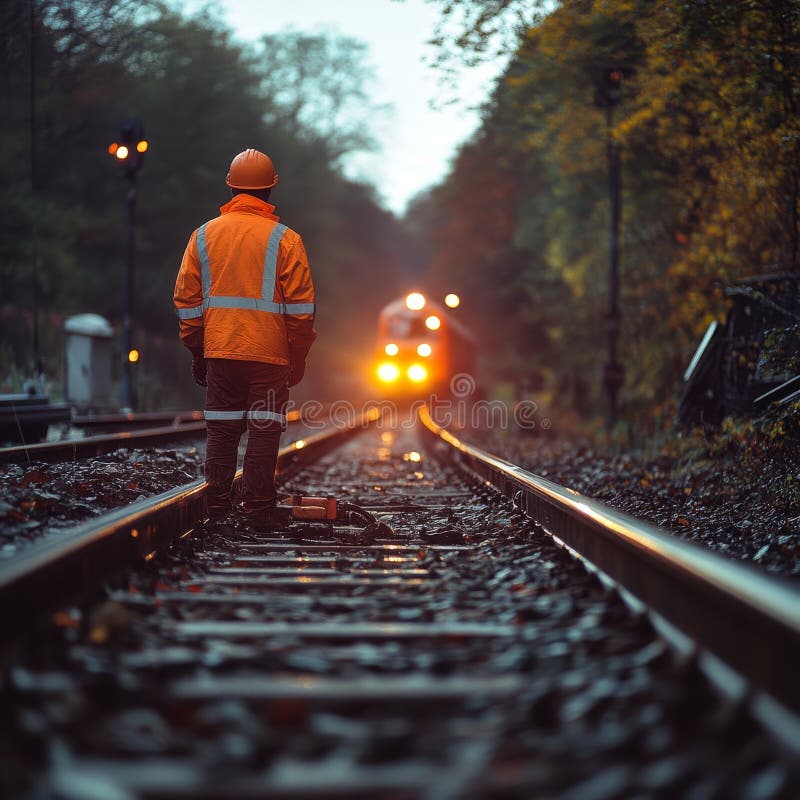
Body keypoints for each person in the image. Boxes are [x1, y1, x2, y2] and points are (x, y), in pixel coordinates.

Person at [174, 148, 316, 529]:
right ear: (271, 189)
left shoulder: (203, 235)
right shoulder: (287, 240)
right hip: (270, 356)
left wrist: (198, 350)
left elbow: (187, 303)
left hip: (220, 349)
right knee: (265, 431)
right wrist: (297, 355)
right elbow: (302, 310)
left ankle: (217, 508)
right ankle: (257, 510)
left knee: (221, 430)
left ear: (231, 187)